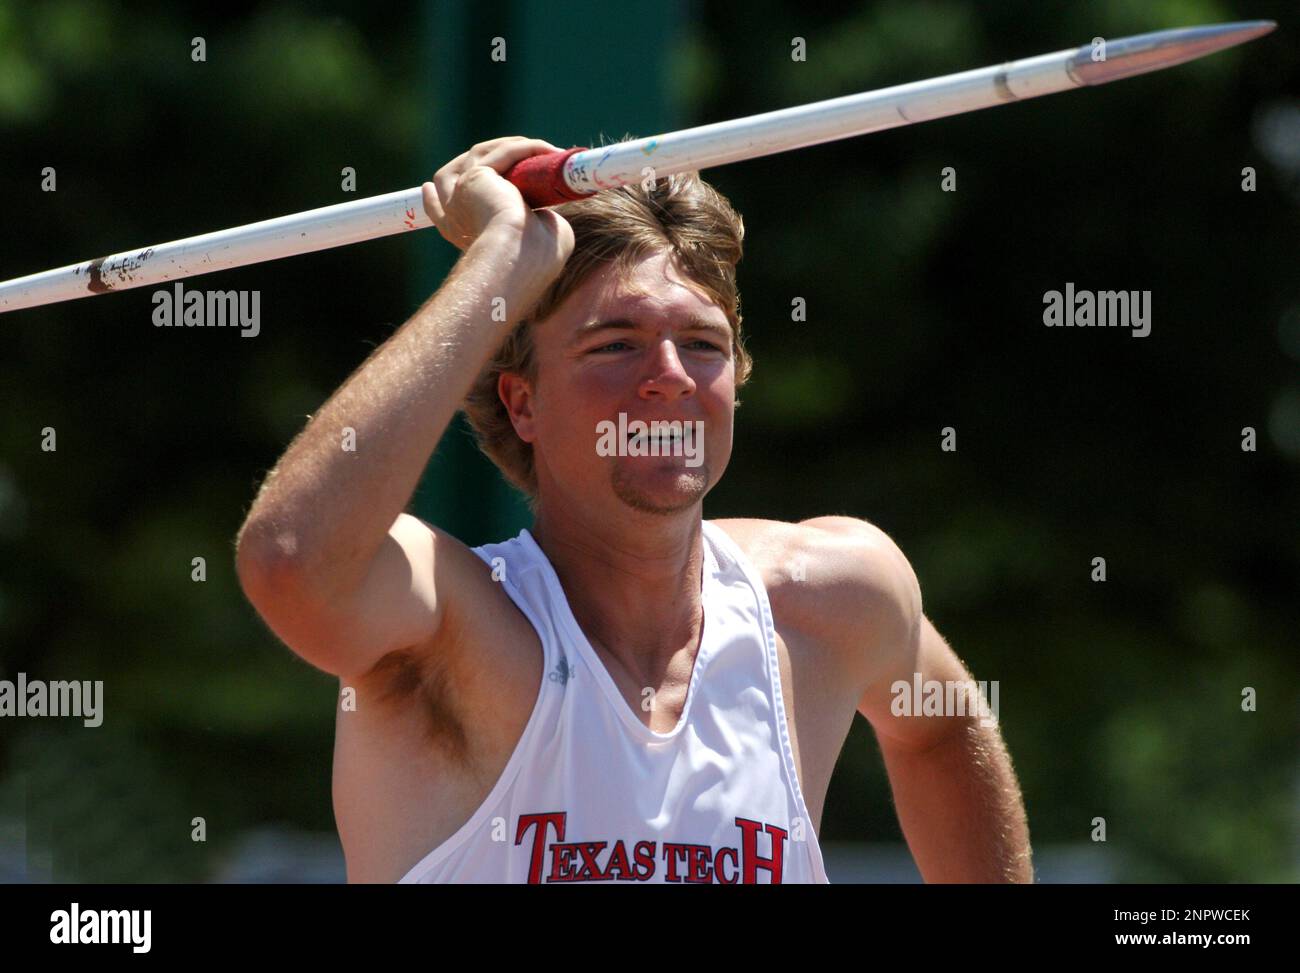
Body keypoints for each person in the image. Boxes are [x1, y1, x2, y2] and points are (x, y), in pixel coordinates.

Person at [234, 136, 1033, 884]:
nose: (670, 377)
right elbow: (291, 557)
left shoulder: (826, 601)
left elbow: (943, 727)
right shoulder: (458, 628)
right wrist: (499, 264)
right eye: (614, 344)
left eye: (703, 344)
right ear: (523, 404)